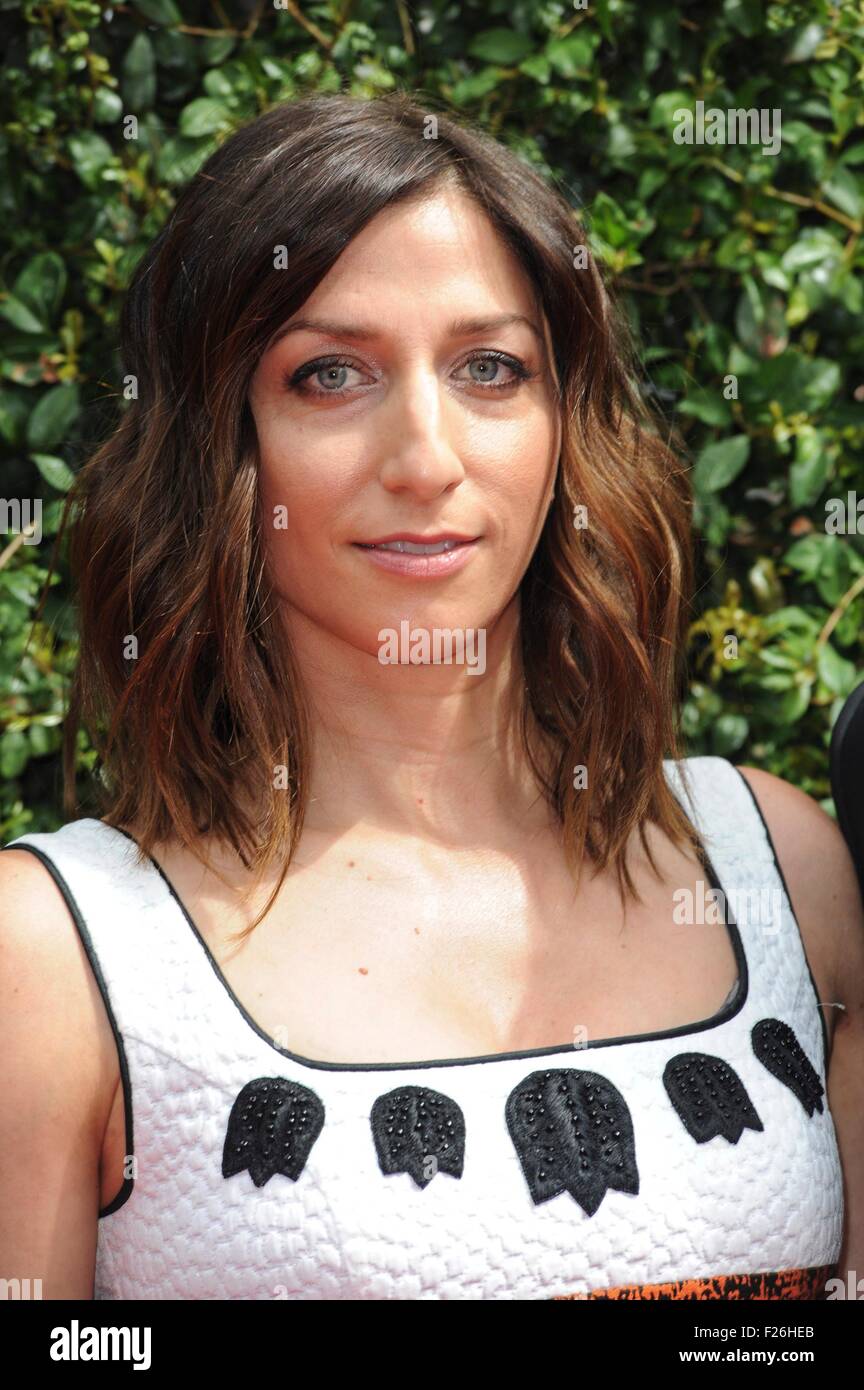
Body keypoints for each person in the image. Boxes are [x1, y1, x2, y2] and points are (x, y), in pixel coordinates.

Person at [1, 91, 861, 1302]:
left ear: (565, 420)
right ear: (215, 438)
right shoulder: (52, 954)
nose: (426, 458)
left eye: (490, 368)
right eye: (330, 374)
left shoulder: (783, 869)